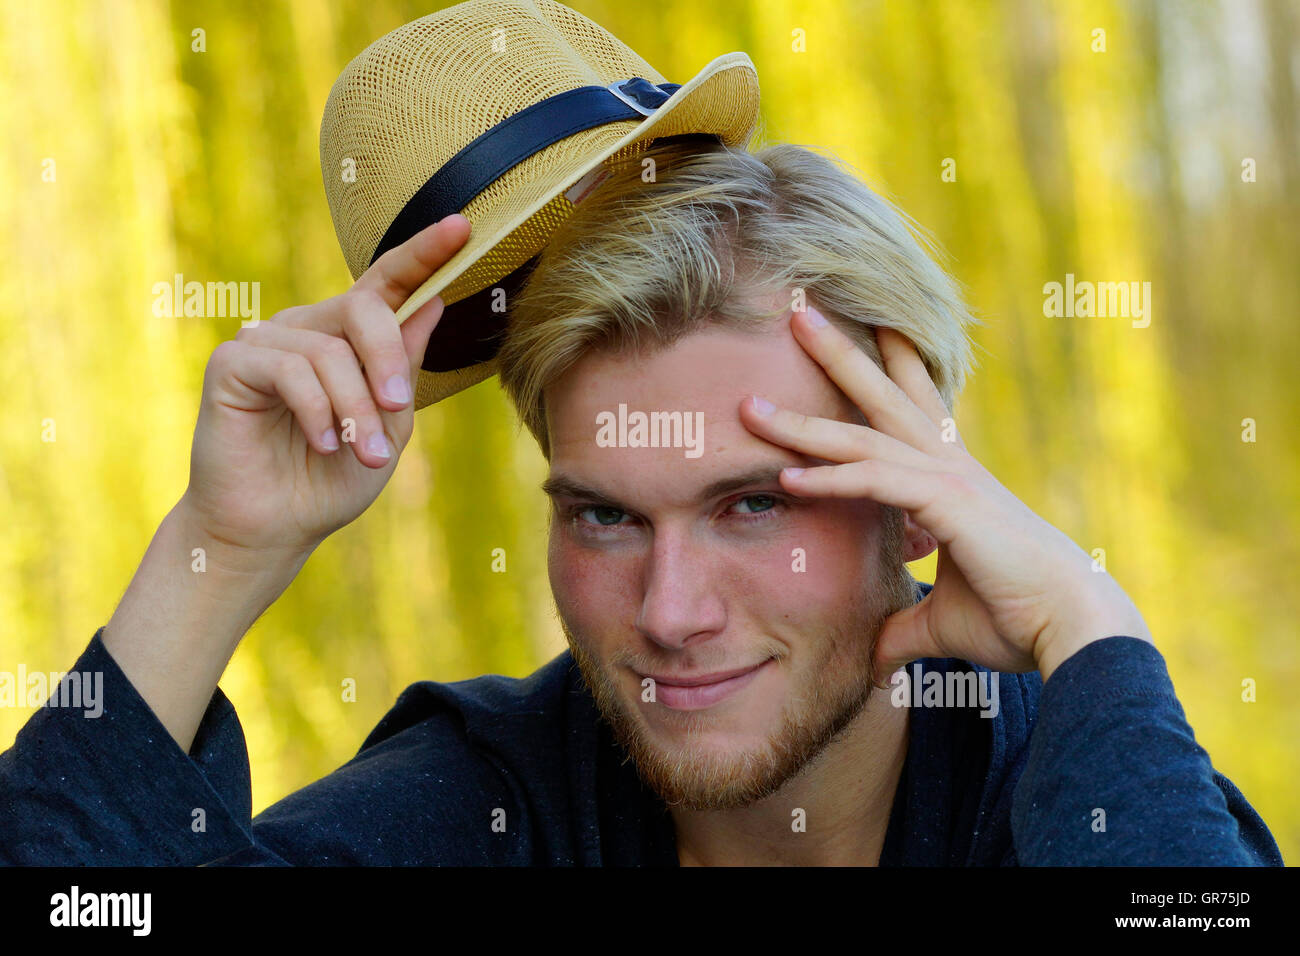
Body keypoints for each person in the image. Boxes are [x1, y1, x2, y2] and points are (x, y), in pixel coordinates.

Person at [0, 136, 1282, 866]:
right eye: (605, 515)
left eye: (752, 505)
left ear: (912, 502)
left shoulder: (1083, 792)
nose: (667, 615)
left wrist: (1091, 633)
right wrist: (216, 552)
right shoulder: (490, 802)